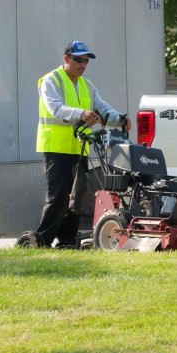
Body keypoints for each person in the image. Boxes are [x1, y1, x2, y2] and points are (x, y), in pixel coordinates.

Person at [33, 40, 123, 248]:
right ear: (66, 59)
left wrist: (120, 119)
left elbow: (102, 108)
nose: (83, 64)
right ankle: (42, 240)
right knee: (58, 197)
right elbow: (56, 109)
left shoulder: (87, 85)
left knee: (76, 199)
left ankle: (66, 241)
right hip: (55, 148)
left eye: (86, 61)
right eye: (78, 60)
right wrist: (81, 114)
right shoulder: (51, 80)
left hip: (79, 149)